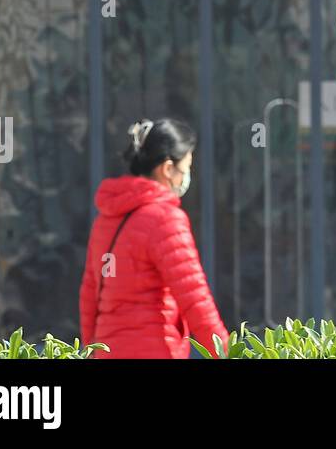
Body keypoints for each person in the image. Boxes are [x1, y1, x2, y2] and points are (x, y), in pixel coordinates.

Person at [79, 118, 227, 359]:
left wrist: (90, 351)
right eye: (186, 167)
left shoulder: (105, 220)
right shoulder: (165, 219)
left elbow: (90, 294)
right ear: (167, 169)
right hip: (155, 350)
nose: (186, 176)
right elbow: (195, 298)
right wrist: (225, 352)